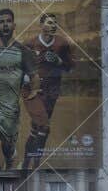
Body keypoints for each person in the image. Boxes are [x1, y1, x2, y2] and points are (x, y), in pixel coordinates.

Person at [0, 8, 35, 171]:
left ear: (14, 25)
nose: (5, 25)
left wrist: (33, 91)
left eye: (8, 21)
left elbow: (34, 77)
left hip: (10, 109)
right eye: (1, 21)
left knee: (7, 146)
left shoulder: (23, 51)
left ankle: (10, 157)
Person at [23, 12, 75, 169]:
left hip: (52, 90)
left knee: (37, 128)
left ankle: (28, 161)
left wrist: (59, 61)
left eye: (55, 23)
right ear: (41, 25)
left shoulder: (61, 44)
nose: (54, 26)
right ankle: (34, 162)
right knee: (43, 126)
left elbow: (70, 67)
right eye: (50, 22)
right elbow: (20, 65)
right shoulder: (30, 44)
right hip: (34, 89)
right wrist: (27, 78)